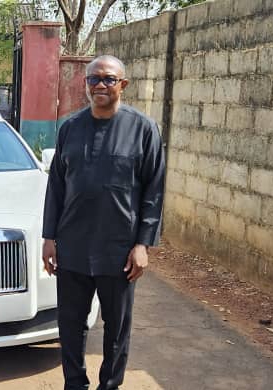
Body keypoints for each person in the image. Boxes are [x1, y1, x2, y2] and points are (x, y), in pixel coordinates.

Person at [41, 54, 166, 390]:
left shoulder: (144, 129)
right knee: (70, 324)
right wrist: (49, 237)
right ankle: (75, 384)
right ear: (85, 85)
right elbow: (56, 186)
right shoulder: (69, 127)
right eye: (93, 79)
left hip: (119, 248)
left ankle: (110, 385)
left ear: (122, 85)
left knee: (116, 328)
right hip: (73, 245)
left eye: (108, 79)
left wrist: (143, 244)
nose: (99, 85)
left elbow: (154, 190)